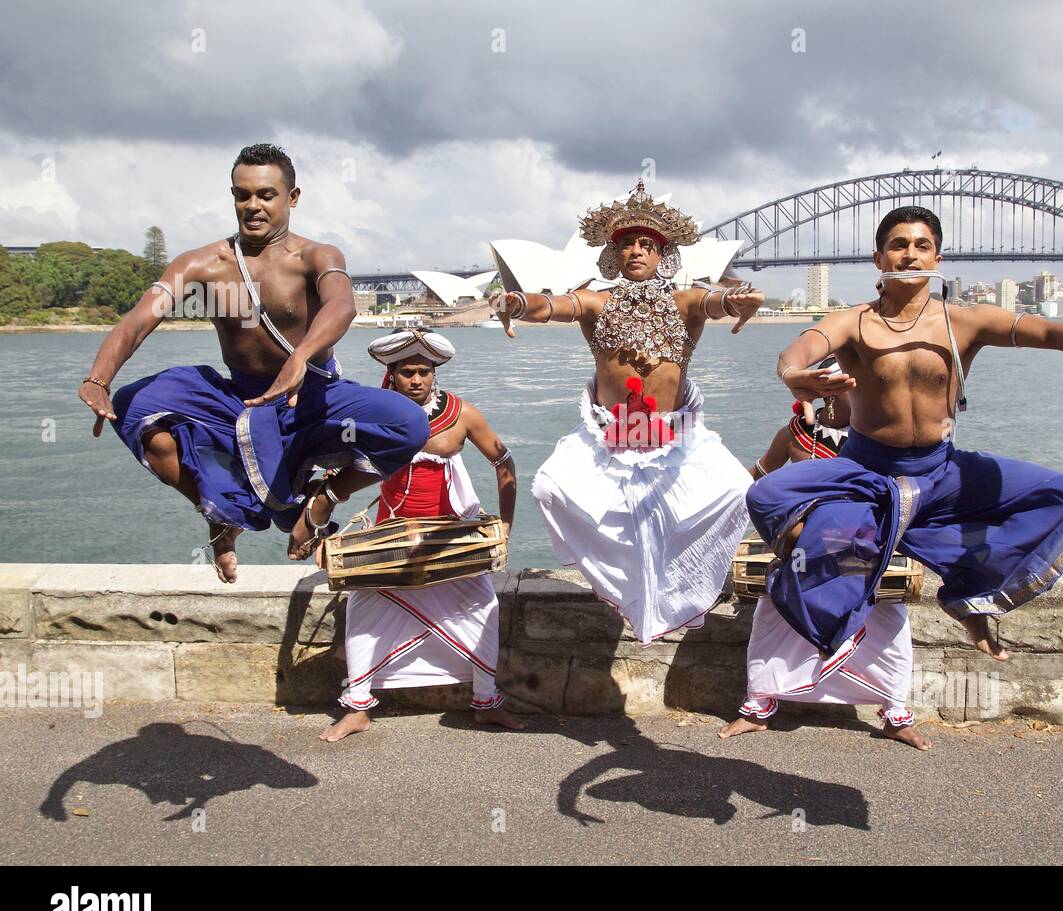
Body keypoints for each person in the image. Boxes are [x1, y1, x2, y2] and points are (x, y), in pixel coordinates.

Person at [747, 205, 1063, 663]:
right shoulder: (854, 322)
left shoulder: (964, 321)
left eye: (921, 246)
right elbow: (803, 346)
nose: (910, 255)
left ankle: (966, 591)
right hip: (865, 470)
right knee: (767, 495)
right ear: (879, 259)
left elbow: (1048, 331)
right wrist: (793, 372)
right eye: (899, 245)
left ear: (937, 260)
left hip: (941, 470)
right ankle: (843, 585)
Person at [77, 144, 428, 583]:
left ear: (292, 197)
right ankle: (221, 513)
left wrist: (300, 357)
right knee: (132, 404)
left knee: (409, 424)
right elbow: (137, 320)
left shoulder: (317, 256)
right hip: (244, 400)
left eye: (266, 195)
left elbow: (342, 307)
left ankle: (320, 502)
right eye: (243, 196)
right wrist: (99, 378)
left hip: (314, 397)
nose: (253, 206)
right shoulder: (202, 264)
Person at [488, 180, 764, 644]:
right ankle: (613, 583)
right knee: (548, 488)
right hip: (608, 436)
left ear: (662, 253)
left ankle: (678, 590)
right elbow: (552, 306)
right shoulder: (596, 301)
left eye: (646, 244)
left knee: (737, 490)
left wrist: (739, 302)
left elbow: (718, 300)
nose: (636, 251)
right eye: (627, 245)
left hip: (675, 436)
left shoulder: (687, 300)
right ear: (613, 256)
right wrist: (515, 302)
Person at [321, 330, 524, 740]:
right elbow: (335, 473)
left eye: (424, 372)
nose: (417, 380)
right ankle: (358, 707)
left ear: (435, 374)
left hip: (451, 536)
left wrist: (505, 525)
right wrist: (320, 531)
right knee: (362, 611)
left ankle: (486, 702)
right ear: (391, 376)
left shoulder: (461, 413)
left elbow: (503, 462)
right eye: (407, 372)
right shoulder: (372, 416)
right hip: (390, 534)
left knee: (485, 608)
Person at [723, 381, 929, 749]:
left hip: (862, 549)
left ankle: (895, 714)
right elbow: (756, 477)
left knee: (889, 620)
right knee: (771, 615)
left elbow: (906, 489)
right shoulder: (795, 433)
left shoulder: (881, 437)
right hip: (800, 549)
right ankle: (757, 707)